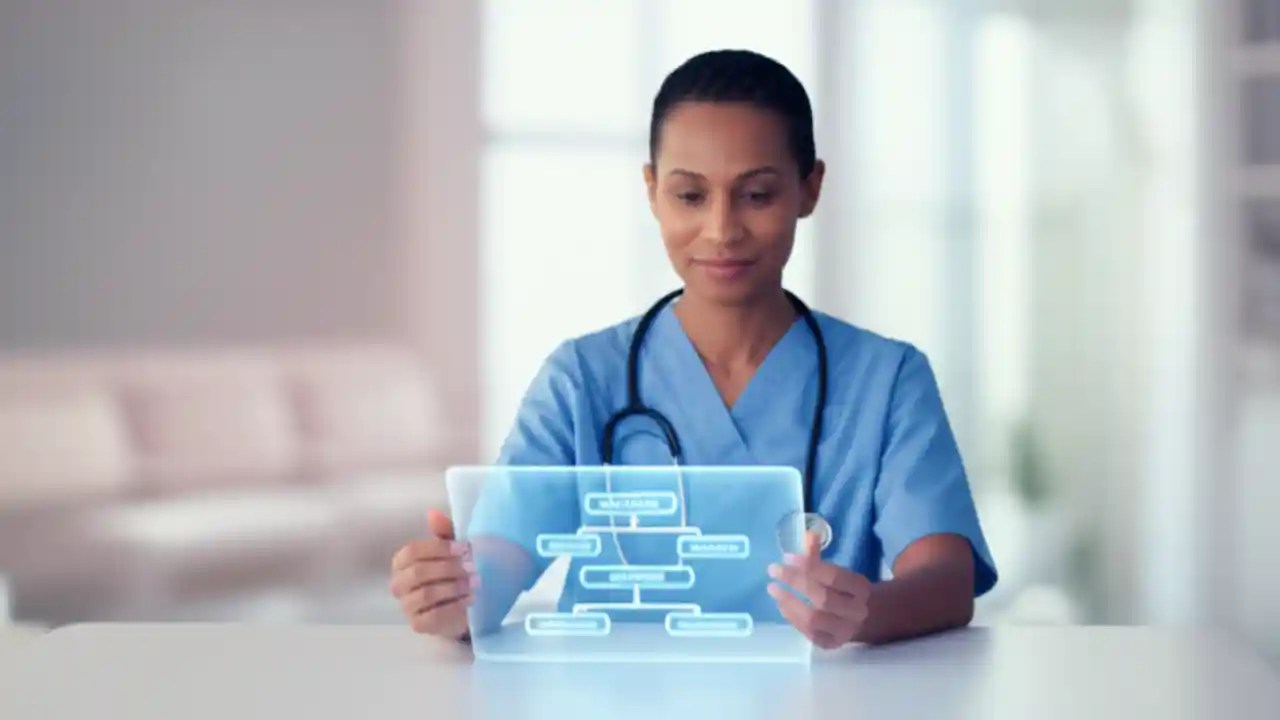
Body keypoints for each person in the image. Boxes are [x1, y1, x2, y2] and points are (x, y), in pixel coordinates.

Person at [389, 49, 997, 649]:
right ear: (652, 191)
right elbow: (499, 558)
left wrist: (866, 612)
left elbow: (947, 578)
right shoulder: (583, 378)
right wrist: (454, 593)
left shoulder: (886, 380)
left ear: (810, 189)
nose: (722, 230)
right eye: (690, 196)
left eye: (756, 195)